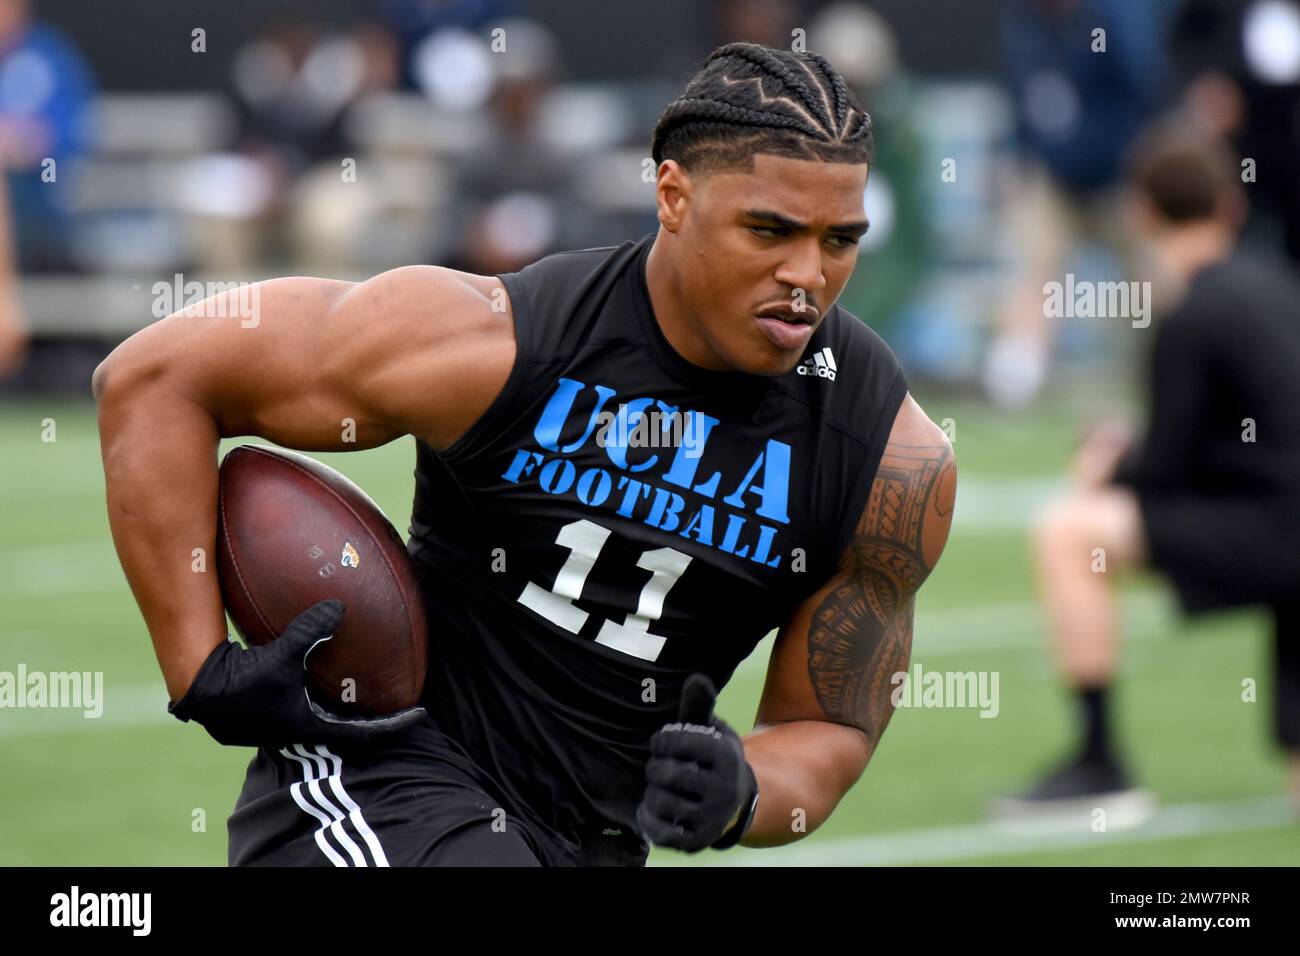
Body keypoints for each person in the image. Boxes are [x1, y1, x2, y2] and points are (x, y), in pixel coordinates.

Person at [94, 42, 956, 866]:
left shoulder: (888, 459)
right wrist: (200, 666)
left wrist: (741, 789)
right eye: (770, 231)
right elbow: (155, 377)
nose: (807, 273)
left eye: (840, 240)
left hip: (587, 843)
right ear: (673, 196)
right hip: (383, 782)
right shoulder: (497, 343)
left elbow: (830, 728)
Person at [1001, 125, 1300, 819]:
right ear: (1231, 206)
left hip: (1276, 533)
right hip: (1286, 523)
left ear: (1141, 211)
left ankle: (1100, 760)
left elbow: (1165, 466)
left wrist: (1110, 463)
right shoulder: (1278, 288)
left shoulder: (1193, 310)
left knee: (1069, 532)